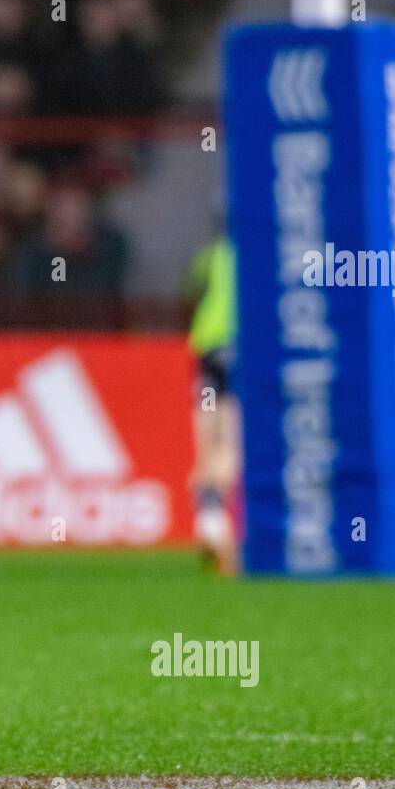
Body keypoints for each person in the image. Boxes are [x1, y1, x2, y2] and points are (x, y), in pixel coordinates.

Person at [183, 231, 240, 574]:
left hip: (206, 351)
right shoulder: (259, 253)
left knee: (207, 447)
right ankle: (216, 530)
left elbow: (190, 290)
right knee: (231, 446)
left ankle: (209, 525)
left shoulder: (210, 255)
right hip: (237, 349)